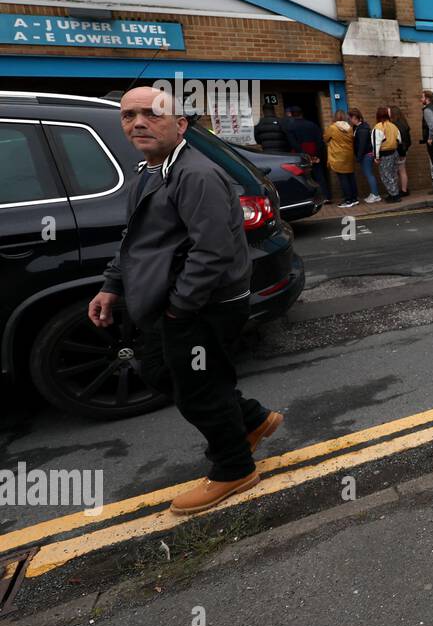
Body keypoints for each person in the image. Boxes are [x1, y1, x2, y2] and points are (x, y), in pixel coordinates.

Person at [89, 87, 281, 515]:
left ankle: (234, 468)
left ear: (179, 125)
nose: (138, 122)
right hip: (172, 302)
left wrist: (179, 307)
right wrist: (112, 285)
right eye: (128, 115)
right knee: (163, 373)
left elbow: (211, 251)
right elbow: (137, 240)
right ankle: (251, 419)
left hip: (202, 306)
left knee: (197, 387)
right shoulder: (148, 171)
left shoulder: (196, 175)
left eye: (151, 115)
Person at [283, 106, 329, 198]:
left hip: (299, 156)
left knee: (301, 177)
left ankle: (307, 198)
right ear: (302, 114)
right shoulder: (313, 125)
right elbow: (320, 141)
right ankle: (325, 197)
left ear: (291, 114)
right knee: (319, 176)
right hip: (314, 154)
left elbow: (293, 143)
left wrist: (303, 154)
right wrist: (316, 155)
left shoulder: (290, 127)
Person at [323, 108, 358, 207]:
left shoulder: (333, 128)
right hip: (349, 155)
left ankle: (348, 200)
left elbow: (325, 138)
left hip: (338, 156)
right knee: (351, 177)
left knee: (343, 178)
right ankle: (354, 198)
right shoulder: (350, 128)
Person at [350, 108, 381, 203]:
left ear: (355, 117)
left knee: (369, 174)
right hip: (366, 154)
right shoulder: (359, 127)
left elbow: (362, 145)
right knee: (369, 174)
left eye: (351, 118)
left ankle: (376, 195)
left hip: (366, 155)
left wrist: (359, 157)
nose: (350, 120)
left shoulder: (362, 129)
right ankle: (374, 193)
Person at [372, 106, 402, 203]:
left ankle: (395, 195)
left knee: (386, 176)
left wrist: (376, 157)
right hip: (394, 152)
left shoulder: (378, 127)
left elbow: (376, 143)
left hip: (385, 154)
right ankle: (393, 193)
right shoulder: (393, 126)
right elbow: (399, 140)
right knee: (393, 175)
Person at [390, 105, 412, 196]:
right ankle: (404, 189)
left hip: (400, 151)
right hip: (403, 150)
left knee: (400, 171)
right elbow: (408, 140)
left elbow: (402, 140)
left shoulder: (397, 124)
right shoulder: (403, 122)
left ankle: (403, 190)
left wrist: (403, 151)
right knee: (401, 171)